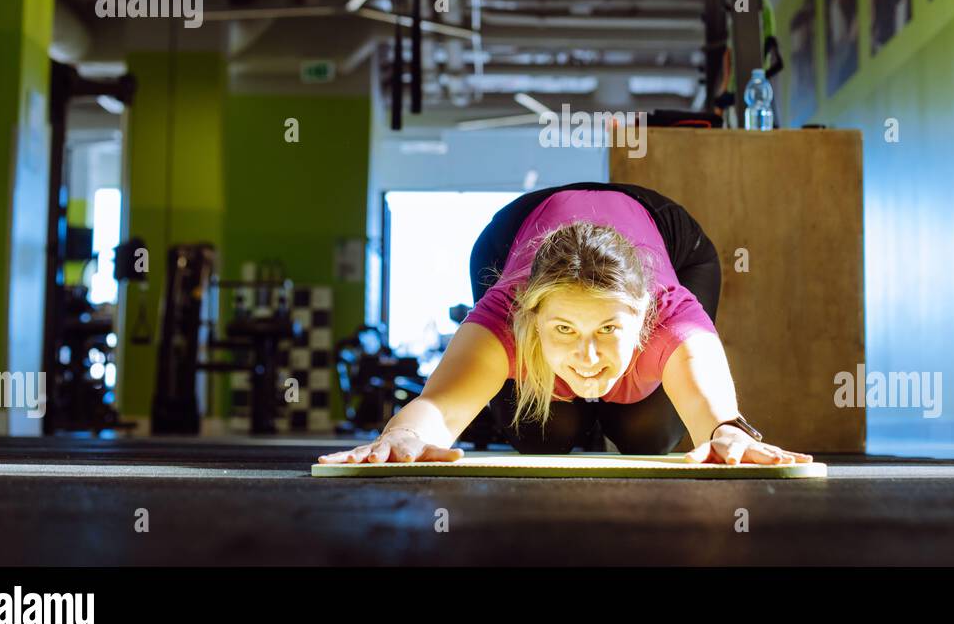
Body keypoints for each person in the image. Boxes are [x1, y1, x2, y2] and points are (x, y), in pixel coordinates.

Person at [319, 182, 813, 466]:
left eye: (608, 330)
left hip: (665, 234)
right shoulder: (506, 312)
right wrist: (400, 435)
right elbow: (440, 410)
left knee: (648, 435)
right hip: (514, 231)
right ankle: (576, 383)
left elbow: (717, 418)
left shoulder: (670, 311)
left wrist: (728, 433)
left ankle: (614, 393)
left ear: (645, 319)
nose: (589, 357)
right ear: (531, 320)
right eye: (564, 331)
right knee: (540, 436)